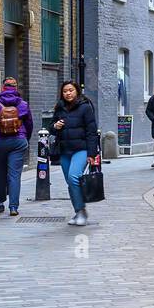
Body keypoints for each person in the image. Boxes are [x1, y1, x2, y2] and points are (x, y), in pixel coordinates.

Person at [0, 76, 33, 218]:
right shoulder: (22, 104)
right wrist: (25, 138)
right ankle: (13, 207)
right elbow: (29, 124)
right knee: (15, 175)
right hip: (18, 141)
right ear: (15, 88)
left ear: (3, 88)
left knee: (0, 173)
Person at [52, 81, 99, 227]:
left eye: (71, 90)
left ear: (77, 91)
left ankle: (81, 211)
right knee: (70, 182)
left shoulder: (85, 108)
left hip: (81, 149)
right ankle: (79, 211)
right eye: (65, 91)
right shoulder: (59, 108)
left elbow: (92, 132)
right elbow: (52, 128)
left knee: (73, 177)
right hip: (65, 150)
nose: (68, 93)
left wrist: (91, 154)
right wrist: (55, 126)